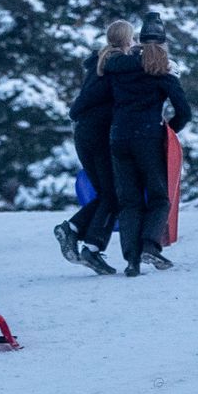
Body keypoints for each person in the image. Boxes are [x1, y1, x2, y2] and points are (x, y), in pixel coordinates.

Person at [100, 14, 192, 277]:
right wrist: (169, 130)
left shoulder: (117, 65)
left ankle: (131, 261)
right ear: (163, 43)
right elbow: (183, 110)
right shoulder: (162, 70)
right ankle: (150, 246)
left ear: (139, 41)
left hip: (118, 138)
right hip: (149, 138)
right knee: (160, 197)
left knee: (129, 201)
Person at [53, 20, 132, 275]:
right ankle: (89, 245)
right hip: (100, 135)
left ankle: (77, 232)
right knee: (113, 194)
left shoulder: (99, 63)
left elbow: (84, 102)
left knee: (106, 193)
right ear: (127, 40)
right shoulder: (117, 64)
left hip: (85, 134)